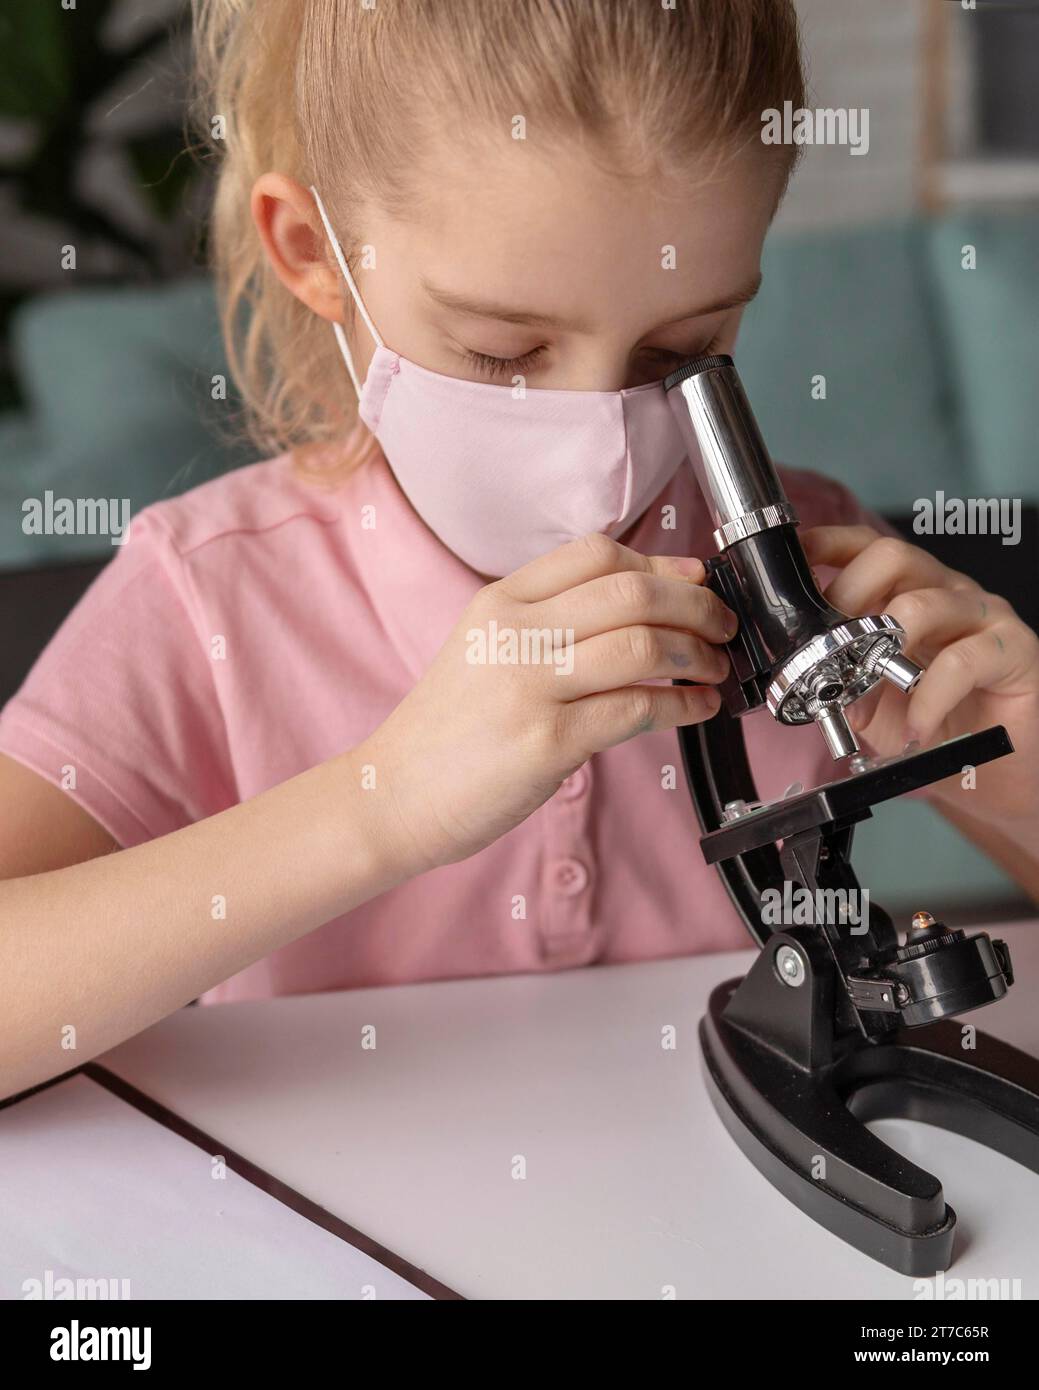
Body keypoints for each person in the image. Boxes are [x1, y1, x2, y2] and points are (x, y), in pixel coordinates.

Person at [2, 0, 1036, 1101]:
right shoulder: (207, 597)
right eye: (502, 351)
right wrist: (381, 805)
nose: (597, 444)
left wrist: (1014, 765)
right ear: (313, 253)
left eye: (681, 347)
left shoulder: (813, 573)